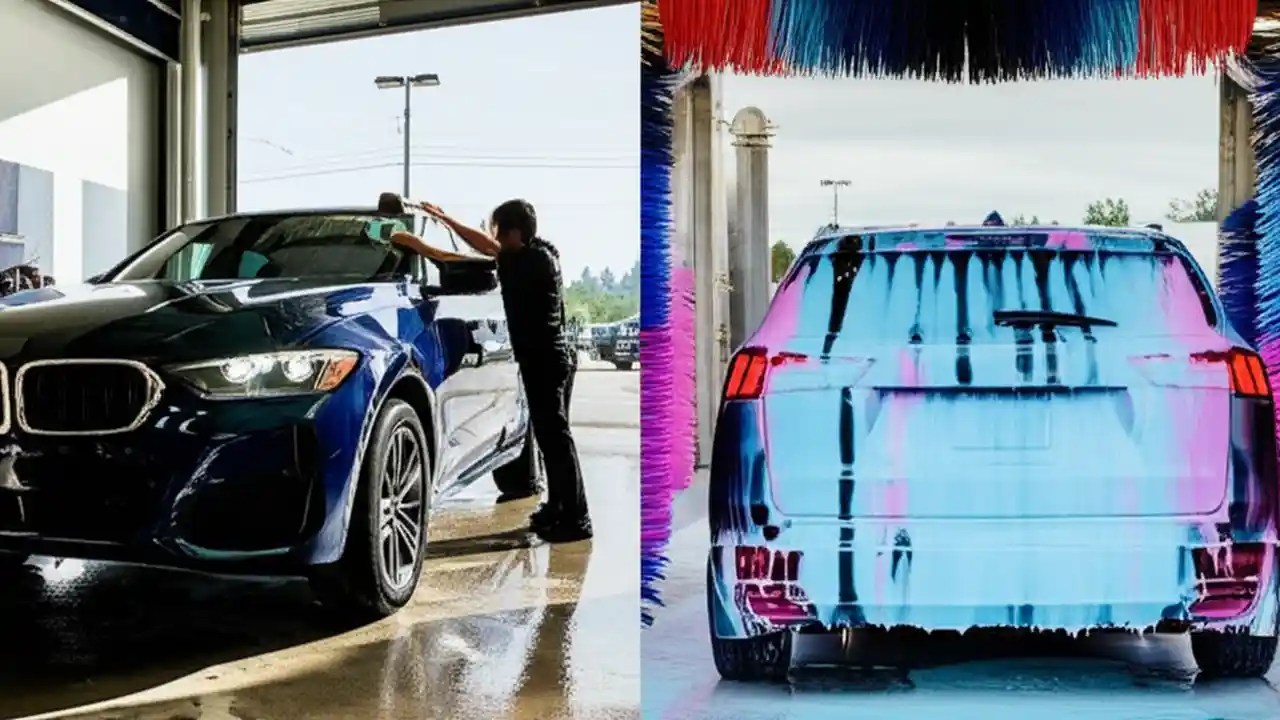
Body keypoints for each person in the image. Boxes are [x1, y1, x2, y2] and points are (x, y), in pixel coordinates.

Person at [387, 197, 591, 544]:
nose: (493, 236)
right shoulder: (539, 251)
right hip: (547, 359)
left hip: (546, 361)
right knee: (549, 439)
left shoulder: (527, 262)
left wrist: (420, 245)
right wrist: (444, 216)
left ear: (513, 233)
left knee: (556, 442)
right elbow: (486, 245)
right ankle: (558, 506)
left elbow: (464, 257)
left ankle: (577, 519)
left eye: (498, 230)